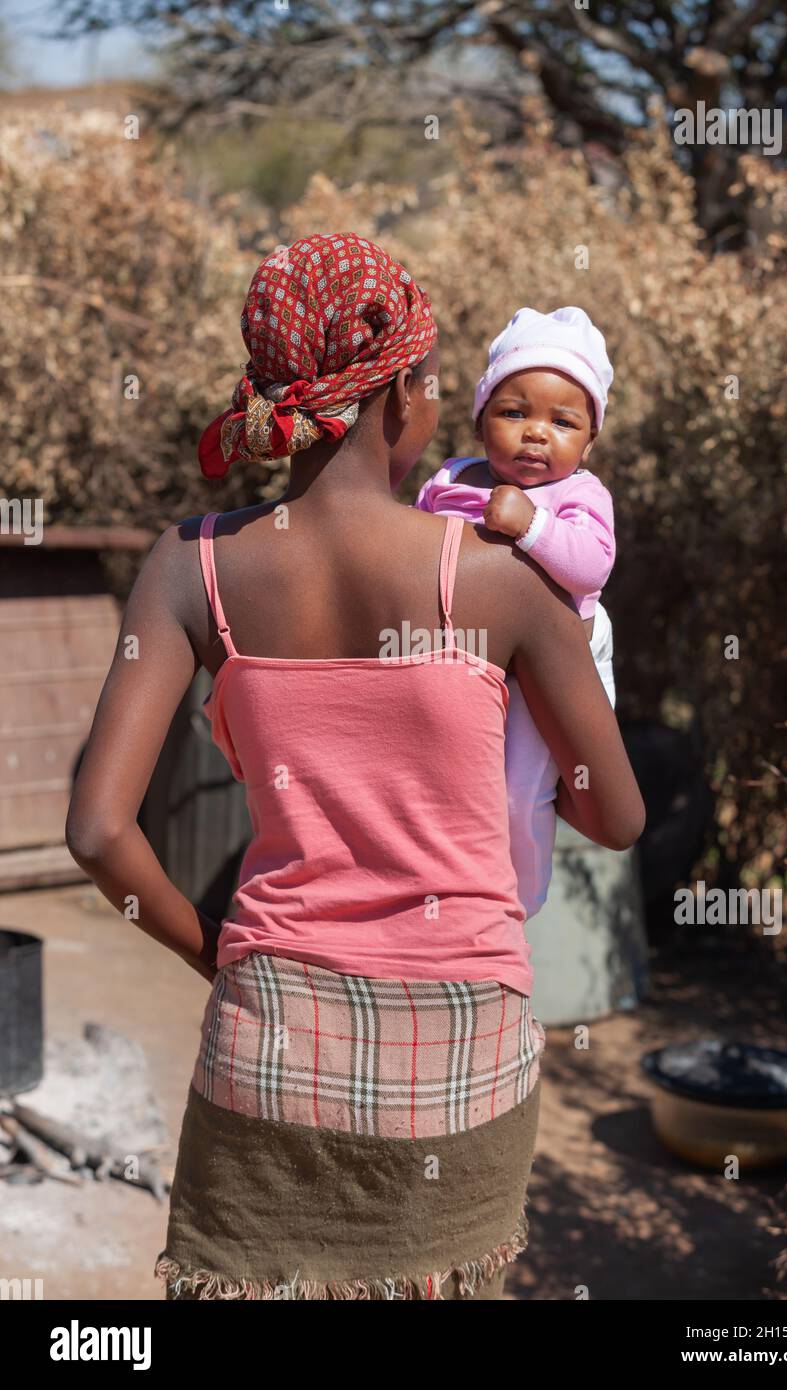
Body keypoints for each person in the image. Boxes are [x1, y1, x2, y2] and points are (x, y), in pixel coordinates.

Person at [65, 232, 645, 1300]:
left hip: (271, 1032)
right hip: (459, 1048)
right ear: (407, 397)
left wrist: (231, 959)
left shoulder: (189, 565)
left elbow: (99, 832)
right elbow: (613, 815)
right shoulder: (500, 579)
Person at [415, 305, 618, 918]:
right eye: (514, 412)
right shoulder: (450, 479)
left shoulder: (577, 494)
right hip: (473, 658)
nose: (536, 432)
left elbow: (591, 565)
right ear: (480, 422)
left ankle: (516, 901)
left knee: (519, 789)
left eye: (562, 421)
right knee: (448, 780)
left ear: (588, 440)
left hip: (554, 668)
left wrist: (530, 525)